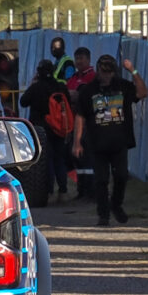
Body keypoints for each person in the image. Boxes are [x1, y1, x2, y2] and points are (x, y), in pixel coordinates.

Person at [71, 54, 148, 226]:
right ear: (97, 71)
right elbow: (80, 117)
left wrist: (133, 71)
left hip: (119, 141)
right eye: (102, 72)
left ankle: (116, 205)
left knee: (121, 176)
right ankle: (103, 215)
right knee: (101, 180)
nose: (105, 76)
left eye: (109, 72)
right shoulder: (89, 91)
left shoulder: (123, 86)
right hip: (97, 143)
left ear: (114, 72)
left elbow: (143, 93)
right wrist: (77, 143)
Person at [19, 59, 73, 202]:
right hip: (59, 128)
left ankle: (47, 192)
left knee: (44, 160)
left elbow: (23, 102)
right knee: (60, 159)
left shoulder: (36, 88)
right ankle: (63, 191)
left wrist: (32, 84)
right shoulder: (60, 87)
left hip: (40, 130)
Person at [65, 47, 96, 198]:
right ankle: (81, 189)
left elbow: (83, 96)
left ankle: (90, 191)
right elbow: (67, 94)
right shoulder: (73, 78)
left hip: (88, 123)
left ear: (88, 60)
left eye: (82, 59)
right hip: (73, 122)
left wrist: (76, 95)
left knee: (88, 158)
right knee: (77, 159)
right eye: (77, 59)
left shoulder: (92, 77)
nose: (79, 62)